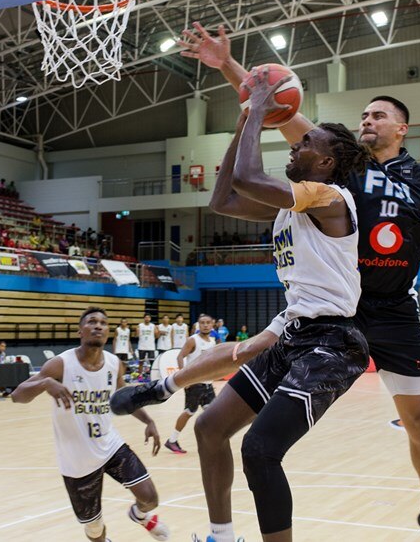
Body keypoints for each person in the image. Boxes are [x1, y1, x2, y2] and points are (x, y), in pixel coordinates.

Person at [117, 23, 420, 542]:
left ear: (402, 128)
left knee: (418, 420)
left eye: (378, 114)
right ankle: (166, 386)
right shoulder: (337, 165)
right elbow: (276, 108)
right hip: (338, 303)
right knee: (253, 348)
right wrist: (227, 65)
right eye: (363, 113)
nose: (367, 118)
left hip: (394, 309)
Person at [117, 66, 371, 542]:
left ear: (327, 163)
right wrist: (241, 123)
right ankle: (222, 535)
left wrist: (256, 110)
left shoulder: (329, 196)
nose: (294, 146)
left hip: (333, 342)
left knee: (259, 448)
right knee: (211, 427)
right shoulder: (293, 204)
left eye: (305, 143)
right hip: (297, 330)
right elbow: (223, 198)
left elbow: (251, 176)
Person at [12, 307, 170, 542]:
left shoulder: (115, 364)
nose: (98, 326)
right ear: (80, 331)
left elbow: (123, 397)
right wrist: (45, 383)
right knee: (95, 531)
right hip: (76, 458)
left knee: (150, 498)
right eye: (92, 322)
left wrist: (148, 420)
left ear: (108, 332)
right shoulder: (60, 365)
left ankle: (139, 515)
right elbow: (17, 395)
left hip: (110, 445)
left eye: (104, 323)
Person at [165, 314, 217, 455]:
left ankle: (211, 442)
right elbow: (180, 356)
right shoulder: (192, 340)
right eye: (202, 323)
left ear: (212, 325)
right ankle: (172, 440)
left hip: (208, 384)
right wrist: (183, 377)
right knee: (189, 412)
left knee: (214, 413)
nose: (205, 325)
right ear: (198, 325)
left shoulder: (212, 341)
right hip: (194, 384)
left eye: (207, 323)